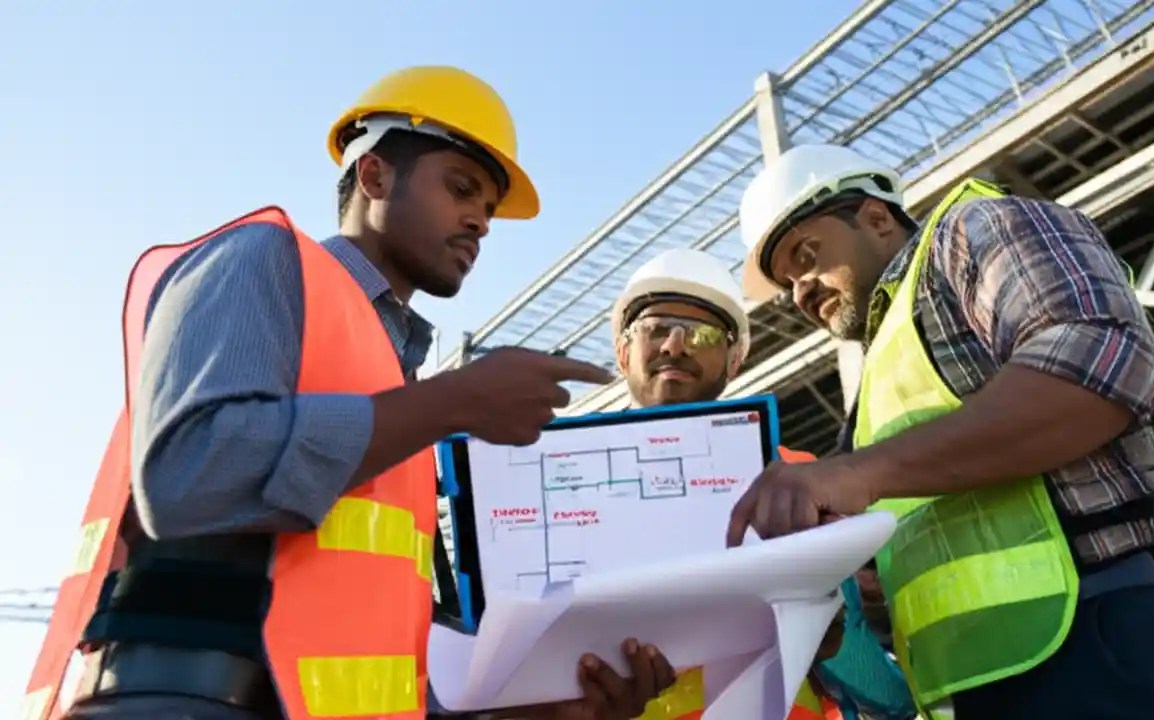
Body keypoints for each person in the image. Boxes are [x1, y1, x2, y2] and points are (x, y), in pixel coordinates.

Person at [24, 66, 674, 720]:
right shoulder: (264, 260)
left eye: (488, 209)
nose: (480, 221)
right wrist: (455, 401)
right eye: (461, 188)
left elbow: (357, 648)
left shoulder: (392, 373)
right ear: (373, 176)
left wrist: (550, 714)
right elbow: (189, 477)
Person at [726, 143, 1154, 719]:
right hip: (993, 685)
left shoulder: (973, 230)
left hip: (1114, 640)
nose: (800, 291)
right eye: (787, 282)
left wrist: (855, 473)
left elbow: (1097, 365)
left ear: (876, 218)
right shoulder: (878, 385)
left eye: (806, 254)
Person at [609, 248, 915, 720]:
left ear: (733, 361)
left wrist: (822, 630)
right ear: (623, 351)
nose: (675, 345)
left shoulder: (797, 480)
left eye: (703, 334)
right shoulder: (560, 478)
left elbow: (877, 687)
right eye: (654, 329)